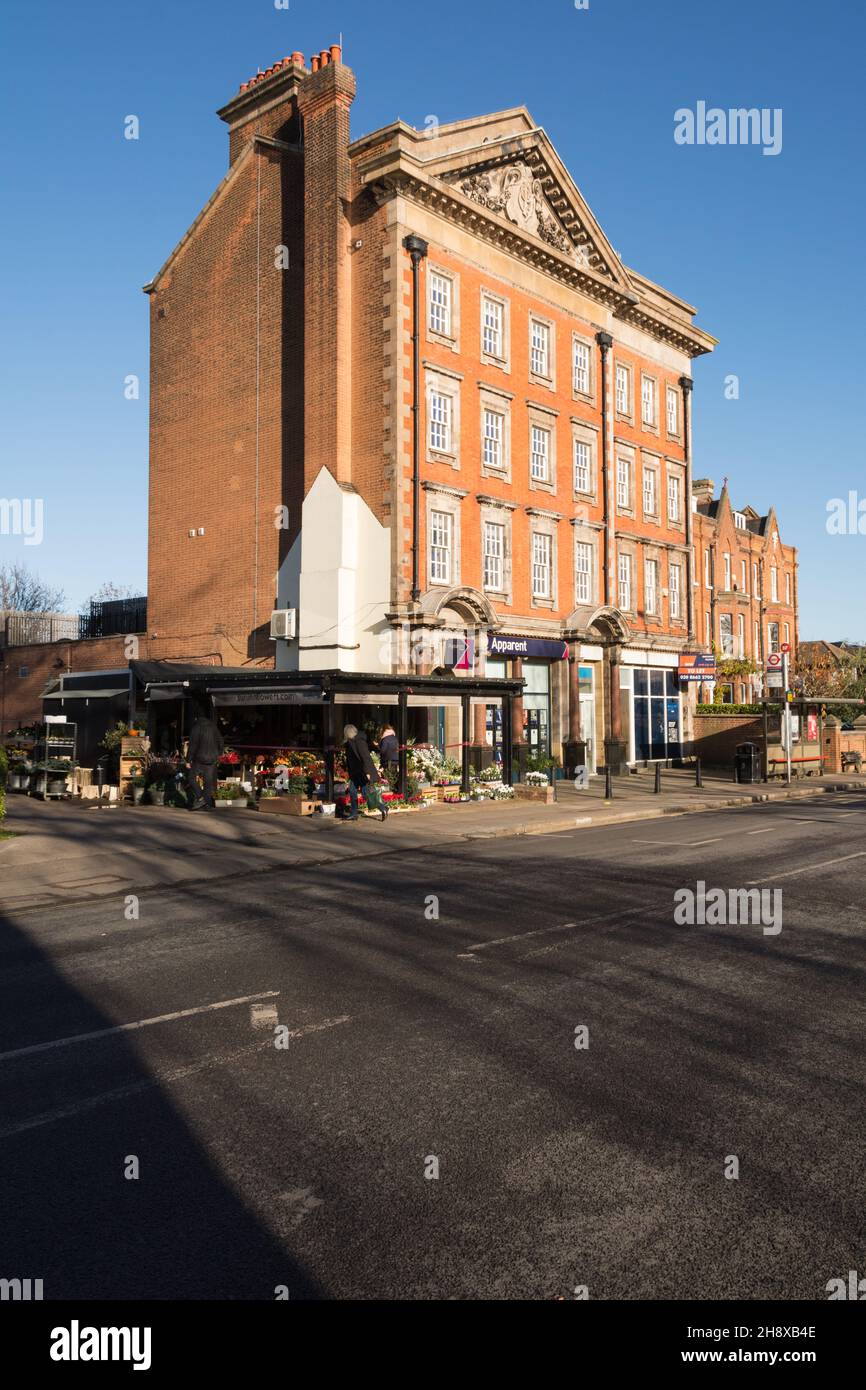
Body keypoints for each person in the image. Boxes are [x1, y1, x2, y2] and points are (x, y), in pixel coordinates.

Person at [343, 723, 387, 822]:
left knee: (366, 793)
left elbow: (366, 757)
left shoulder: (359, 741)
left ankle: (383, 808)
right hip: (356, 773)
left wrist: (368, 772)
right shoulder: (350, 742)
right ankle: (354, 813)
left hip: (362, 772)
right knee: (353, 791)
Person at [187, 704, 224, 810]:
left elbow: (192, 745)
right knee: (208, 782)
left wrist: (188, 760)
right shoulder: (213, 726)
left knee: (191, 778)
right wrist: (219, 754)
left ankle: (200, 798)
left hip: (200, 758)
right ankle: (206, 805)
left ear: (196, 717)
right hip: (212, 759)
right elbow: (220, 740)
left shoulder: (196, 727)